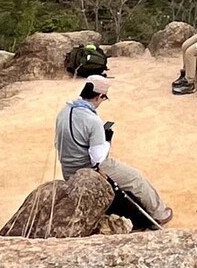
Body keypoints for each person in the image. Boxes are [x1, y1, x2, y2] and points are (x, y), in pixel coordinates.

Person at [54, 76, 172, 226]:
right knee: (135, 179)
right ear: (100, 96)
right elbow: (97, 158)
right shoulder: (92, 120)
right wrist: (107, 140)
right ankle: (159, 214)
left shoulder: (64, 111)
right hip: (89, 169)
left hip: (68, 171)